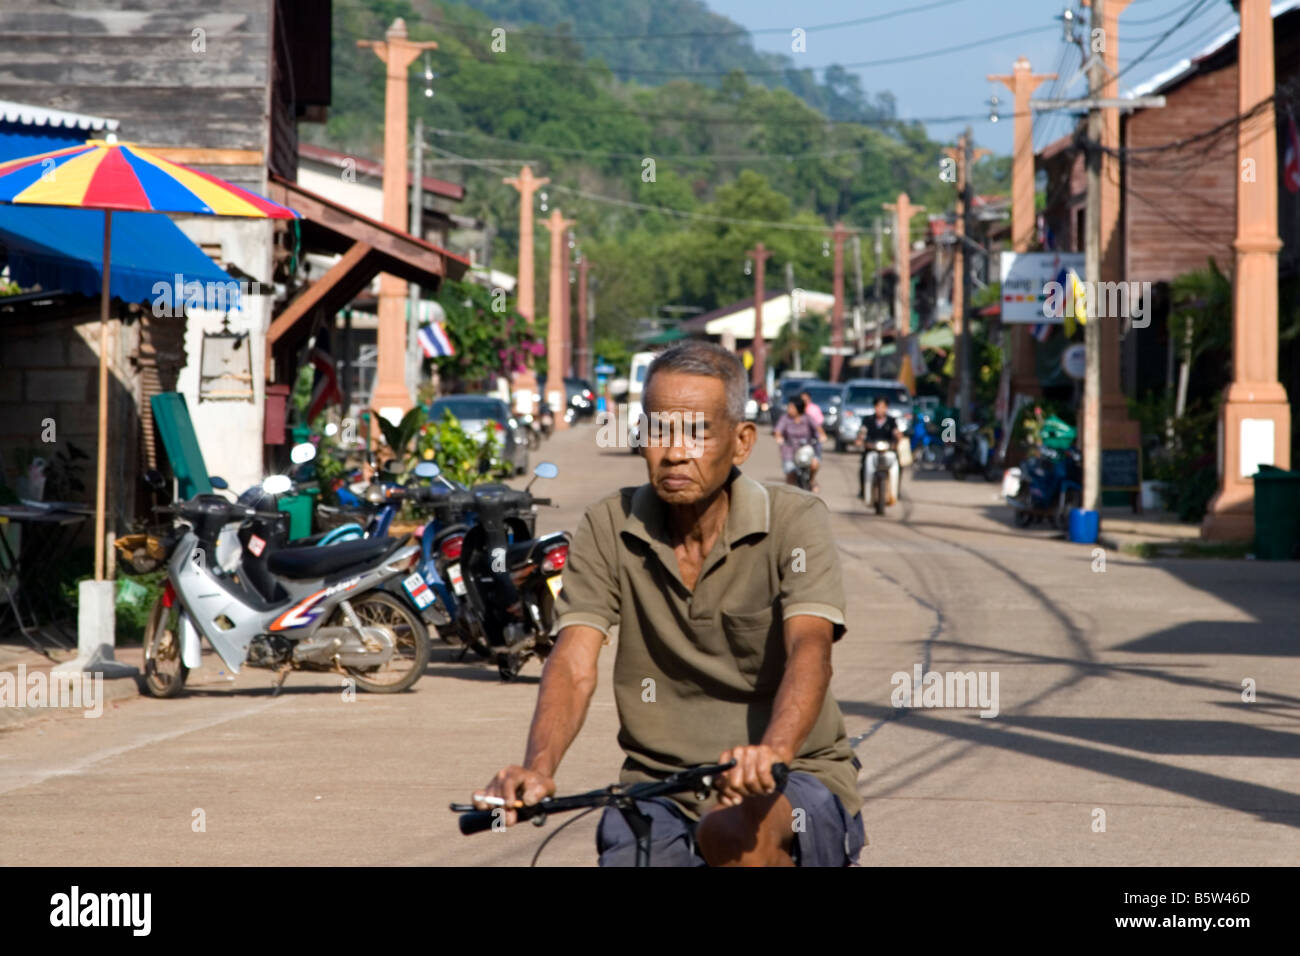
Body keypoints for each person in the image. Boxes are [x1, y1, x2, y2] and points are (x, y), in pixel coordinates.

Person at [471, 341, 865, 867]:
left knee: (729, 834)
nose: (675, 452)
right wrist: (537, 768)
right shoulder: (611, 524)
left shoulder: (794, 521)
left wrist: (772, 754)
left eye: (698, 432)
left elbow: (810, 649)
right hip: (659, 787)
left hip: (791, 778)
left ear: (742, 441)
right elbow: (574, 658)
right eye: (659, 430)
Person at [773, 396, 827, 492]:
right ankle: (790, 493)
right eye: (789, 407)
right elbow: (778, 431)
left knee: (814, 464)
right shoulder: (785, 418)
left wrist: (822, 436)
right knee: (791, 473)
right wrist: (779, 438)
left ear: (798, 408)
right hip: (790, 450)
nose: (789, 409)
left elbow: (818, 428)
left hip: (806, 448)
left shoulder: (807, 418)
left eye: (791, 407)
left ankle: (812, 480)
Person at [857, 396, 900, 504]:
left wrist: (899, 437)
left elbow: (896, 432)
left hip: (888, 450)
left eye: (883, 407)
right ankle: (863, 490)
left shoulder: (891, 421)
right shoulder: (868, 420)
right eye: (878, 407)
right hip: (871, 449)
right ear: (874, 407)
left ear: (886, 408)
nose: (880, 409)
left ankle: (896, 490)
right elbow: (863, 431)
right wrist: (860, 439)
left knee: (898, 466)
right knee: (863, 467)